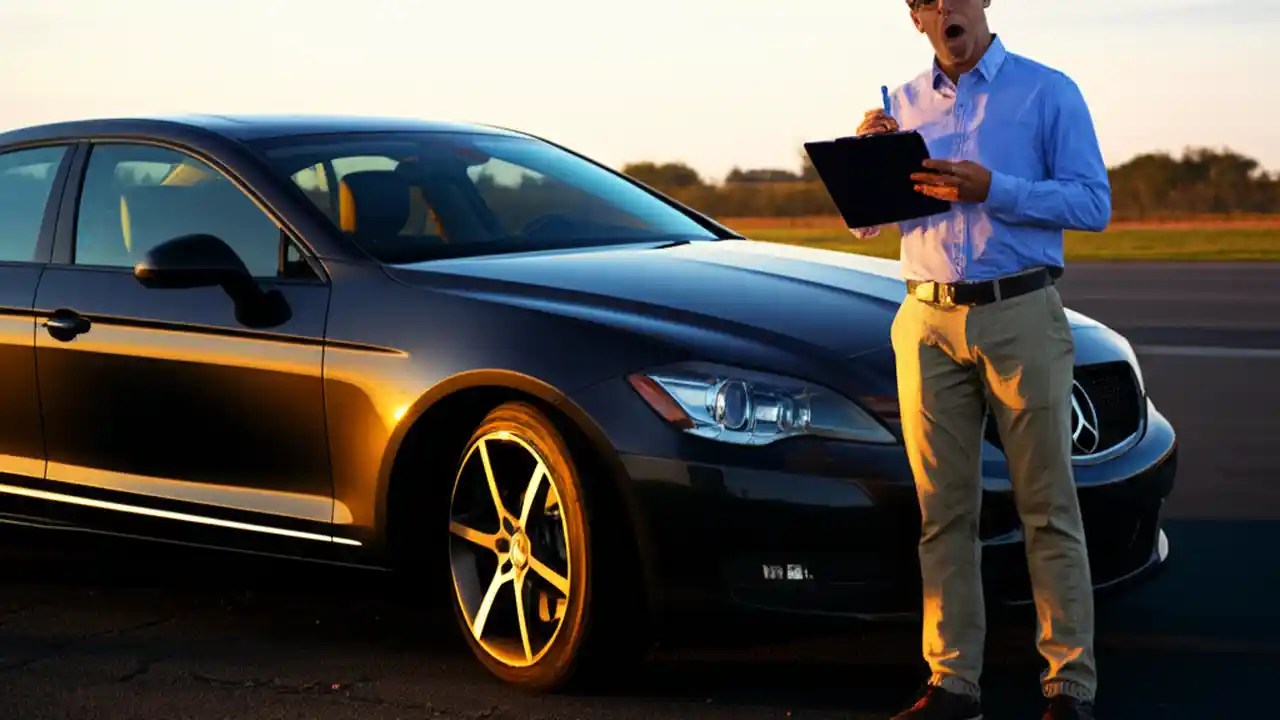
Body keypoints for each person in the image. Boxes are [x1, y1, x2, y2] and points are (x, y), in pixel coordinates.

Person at [854, 2, 1112, 719]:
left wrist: (993, 188)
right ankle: (952, 684)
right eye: (925, 3)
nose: (943, 10)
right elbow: (870, 222)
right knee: (943, 514)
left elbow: (1093, 204)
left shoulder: (1046, 90)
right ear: (916, 21)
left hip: (1020, 311)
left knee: (1047, 508)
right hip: (926, 319)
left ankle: (1069, 686)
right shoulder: (900, 103)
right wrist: (868, 159)